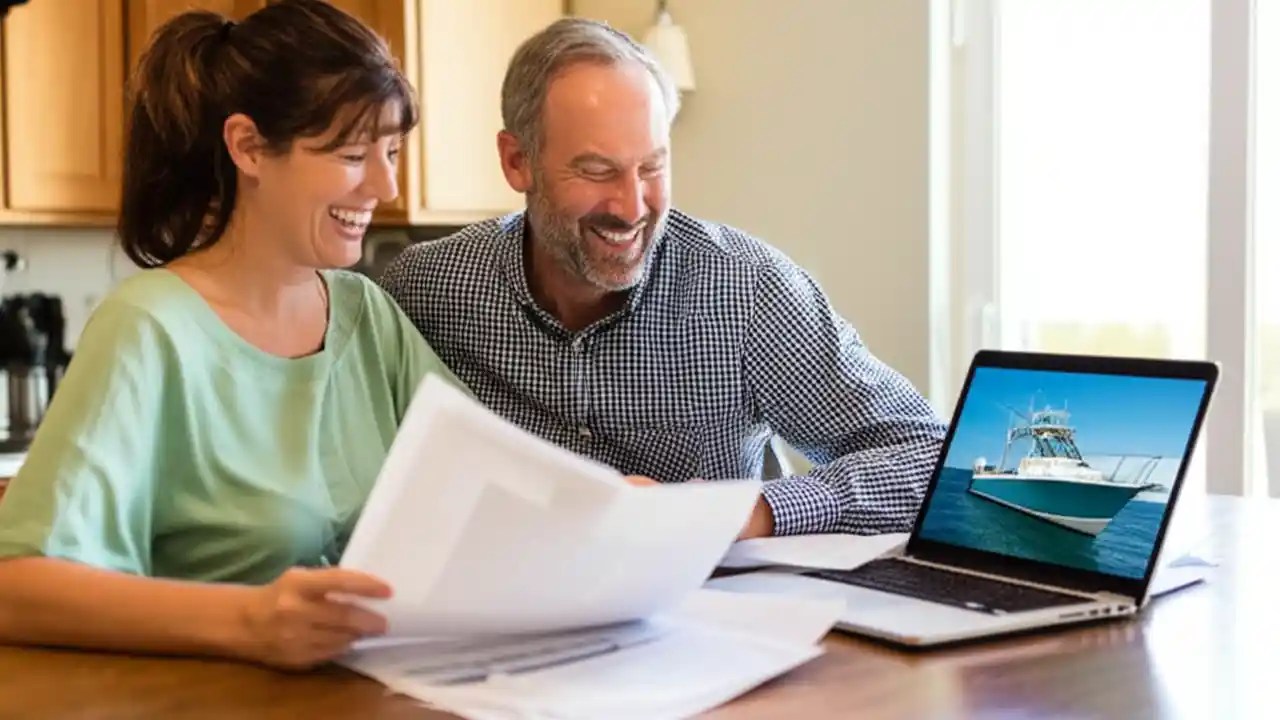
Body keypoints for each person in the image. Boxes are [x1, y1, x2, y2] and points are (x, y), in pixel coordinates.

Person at [0, 0, 458, 670]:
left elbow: (479, 490)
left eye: (391, 152)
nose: (385, 185)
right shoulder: (149, 329)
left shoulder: (368, 316)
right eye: (355, 153)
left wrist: (600, 511)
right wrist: (250, 621)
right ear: (247, 147)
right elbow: (16, 588)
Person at [379, 18, 949, 541]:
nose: (632, 207)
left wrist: (751, 509)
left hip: (712, 628)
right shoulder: (426, 292)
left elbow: (927, 457)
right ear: (516, 162)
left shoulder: (748, 289)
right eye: (596, 170)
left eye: (652, 167)